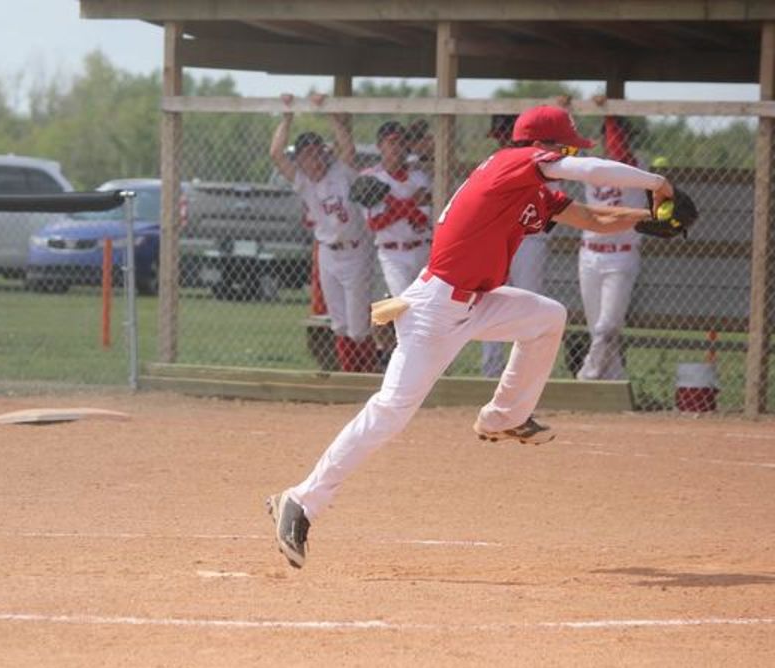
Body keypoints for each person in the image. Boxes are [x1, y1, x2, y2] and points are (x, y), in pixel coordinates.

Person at [266, 105, 675, 569]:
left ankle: (504, 416)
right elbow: (585, 168)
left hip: (475, 302)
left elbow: (597, 219)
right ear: (543, 149)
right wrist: (656, 185)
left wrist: (645, 218)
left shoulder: (533, 192)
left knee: (547, 317)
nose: (566, 156)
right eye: (561, 148)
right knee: (390, 412)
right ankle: (301, 500)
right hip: (434, 311)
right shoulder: (508, 164)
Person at [271, 94, 378, 372]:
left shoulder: (340, 171)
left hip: (356, 251)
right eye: (307, 154)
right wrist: (287, 116)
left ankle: (365, 376)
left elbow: (347, 147)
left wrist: (328, 111)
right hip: (328, 254)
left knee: (357, 326)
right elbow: (276, 154)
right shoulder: (304, 182)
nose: (314, 158)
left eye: (318, 151)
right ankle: (349, 375)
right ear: (301, 161)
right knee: (339, 323)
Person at [576, 113, 647, 380]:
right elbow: (565, 152)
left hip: (621, 258)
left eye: (620, 138)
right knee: (598, 329)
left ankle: (587, 378)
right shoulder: (590, 167)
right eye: (609, 138)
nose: (615, 144)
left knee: (607, 326)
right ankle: (614, 381)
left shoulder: (637, 166)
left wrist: (608, 115)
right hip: (589, 255)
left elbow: (621, 155)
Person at [480, 113, 551, 378]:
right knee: (492, 301)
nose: (500, 142)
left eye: (503, 136)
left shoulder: (539, 160)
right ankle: (492, 371)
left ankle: (522, 373)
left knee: (529, 303)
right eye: (498, 137)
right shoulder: (495, 164)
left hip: (531, 239)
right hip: (500, 237)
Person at [362, 121, 433, 297]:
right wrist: (410, 203)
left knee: (425, 306)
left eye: (402, 142)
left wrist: (391, 203)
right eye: (391, 142)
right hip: (392, 254)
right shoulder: (372, 179)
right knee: (404, 306)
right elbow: (376, 223)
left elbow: (422, 218)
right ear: (380, 146)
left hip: (423, 250)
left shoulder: (420, 176)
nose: (397, 147)